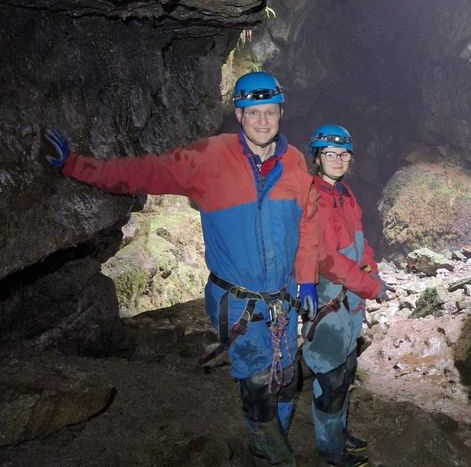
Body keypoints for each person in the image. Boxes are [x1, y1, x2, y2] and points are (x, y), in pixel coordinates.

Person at [44, 71, 319, 467]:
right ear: (239, 115)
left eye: (270, 111)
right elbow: (142, 172)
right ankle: (273, 453)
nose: (262, 120)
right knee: (257, 377)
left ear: (281, 113)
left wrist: (306, 282)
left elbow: (307, 224)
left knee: (287, 380)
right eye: (252, 111)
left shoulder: (294, 163)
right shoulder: (209, 158)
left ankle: (266, 441)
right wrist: (75, 165)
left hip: (283, 300)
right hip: (236, 301)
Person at [302, 123, 388, 467]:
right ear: (317, 158)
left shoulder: (345, 194)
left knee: (346, 368)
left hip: (351, 303)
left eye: (343, 153)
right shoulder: (314, 198)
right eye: (330, 153)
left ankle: (338, 431)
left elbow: (360, 241)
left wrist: (372, 270)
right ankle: (330, 451)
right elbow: (326, 258)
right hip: (329, 301)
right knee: (331, 378)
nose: (338, 159)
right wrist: (369, 284)